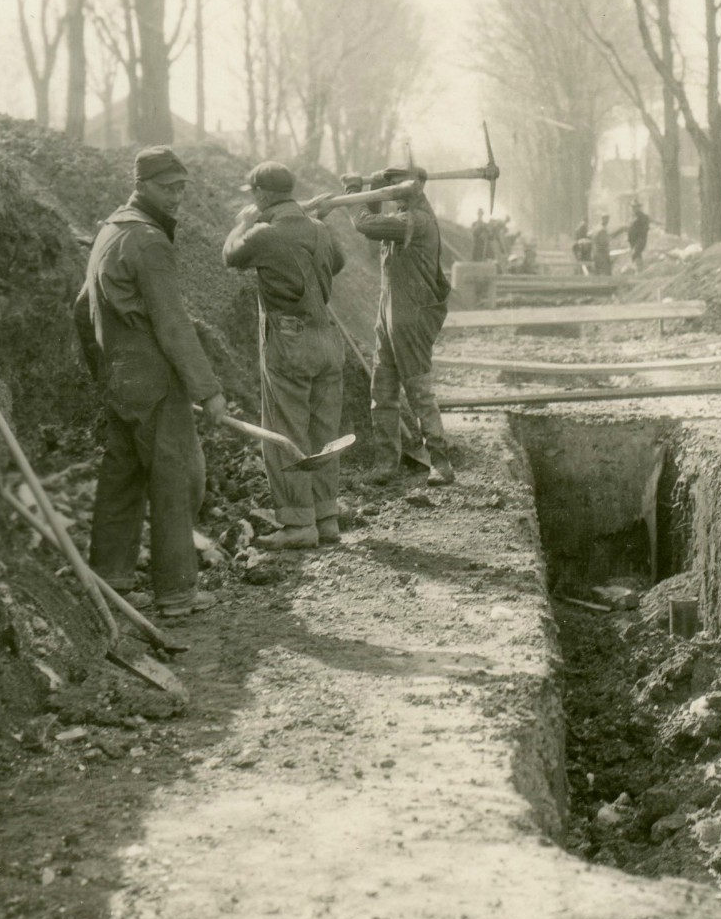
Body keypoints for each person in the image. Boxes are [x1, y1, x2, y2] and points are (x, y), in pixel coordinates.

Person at [75, 146, 228, 619]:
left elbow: (82, 309)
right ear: (140, 185)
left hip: (120, 376)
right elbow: (173, 324)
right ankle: (177, 593)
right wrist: (208, 389)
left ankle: (111, 579)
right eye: (168, 188)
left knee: (120, 476)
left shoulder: (109, 231)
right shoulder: (149, 242)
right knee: (172, 480)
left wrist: (103, 369)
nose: (177, 197)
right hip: (154, 379)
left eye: (182, 188)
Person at [222, 161, 348, 550]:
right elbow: (338, 262)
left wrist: (242, 222)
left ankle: (297, 524)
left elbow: (230, 256)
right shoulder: (322, 229)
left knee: (285, 431)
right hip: (328, 339)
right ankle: (326, 519)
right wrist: (310, 220)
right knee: (324, 433)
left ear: (261, 195)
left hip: (289, 340)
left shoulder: (262, 233)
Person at [355, 166, 454, 485]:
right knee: (381, 391)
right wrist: (369, 190)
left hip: (411, 315)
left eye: (395, 188)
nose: (392, 194)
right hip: (389, 313)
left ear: (412, 189)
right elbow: (373, 225)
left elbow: (364, 225)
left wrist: (355, 193)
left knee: (418, 391)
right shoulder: (404, 215)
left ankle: (440, 462)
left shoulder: (415, 220)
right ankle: (386, 465)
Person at [626, 200, 650, 268]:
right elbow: (630, 228)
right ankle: (638, 270)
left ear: (639, 207)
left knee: (636, 253)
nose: (634, 209)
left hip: (640, 239)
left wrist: (639, 234)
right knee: (636, 255)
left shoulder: (643, 217)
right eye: (632, 207)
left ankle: (639, 268)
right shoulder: (632, 217)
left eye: (635, 207)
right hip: (632, 241)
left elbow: (645, 229)